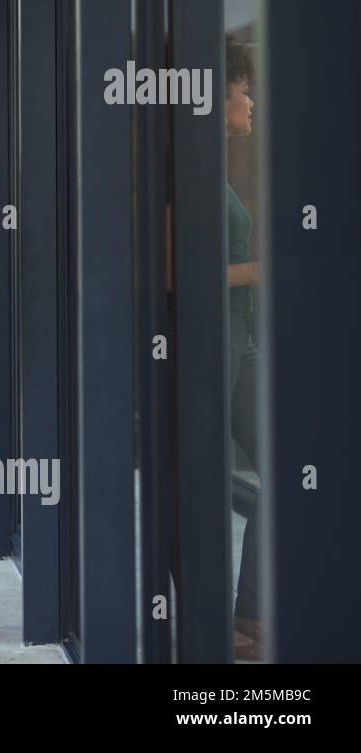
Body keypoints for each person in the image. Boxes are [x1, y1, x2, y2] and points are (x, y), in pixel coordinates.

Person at [223, 36, 263, 661]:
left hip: (241, 338)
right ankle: (229, 618)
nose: (251, 99)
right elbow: (181, 273)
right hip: (218, 339)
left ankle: (249, 613)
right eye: (243, 87)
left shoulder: (219, 172)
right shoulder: (196, 175)